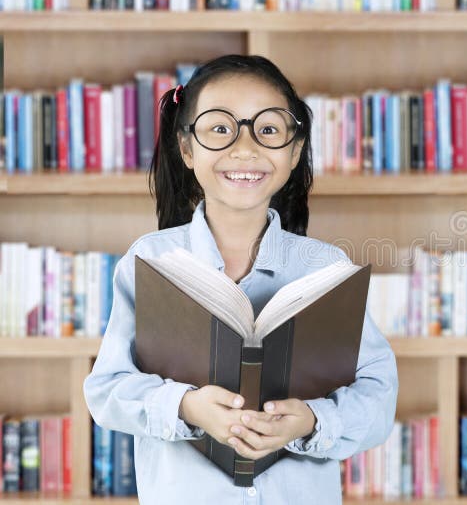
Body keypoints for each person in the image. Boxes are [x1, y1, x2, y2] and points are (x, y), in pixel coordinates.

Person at [83, 54, 398, 504]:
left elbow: (378, 398)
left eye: (267, 129)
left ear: (294, 150)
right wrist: (187, 406)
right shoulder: (151, 260)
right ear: (187, 149)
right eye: (219, 128)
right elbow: (106, 389)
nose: (245, 148)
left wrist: (310, 420)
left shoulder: (325, 268)